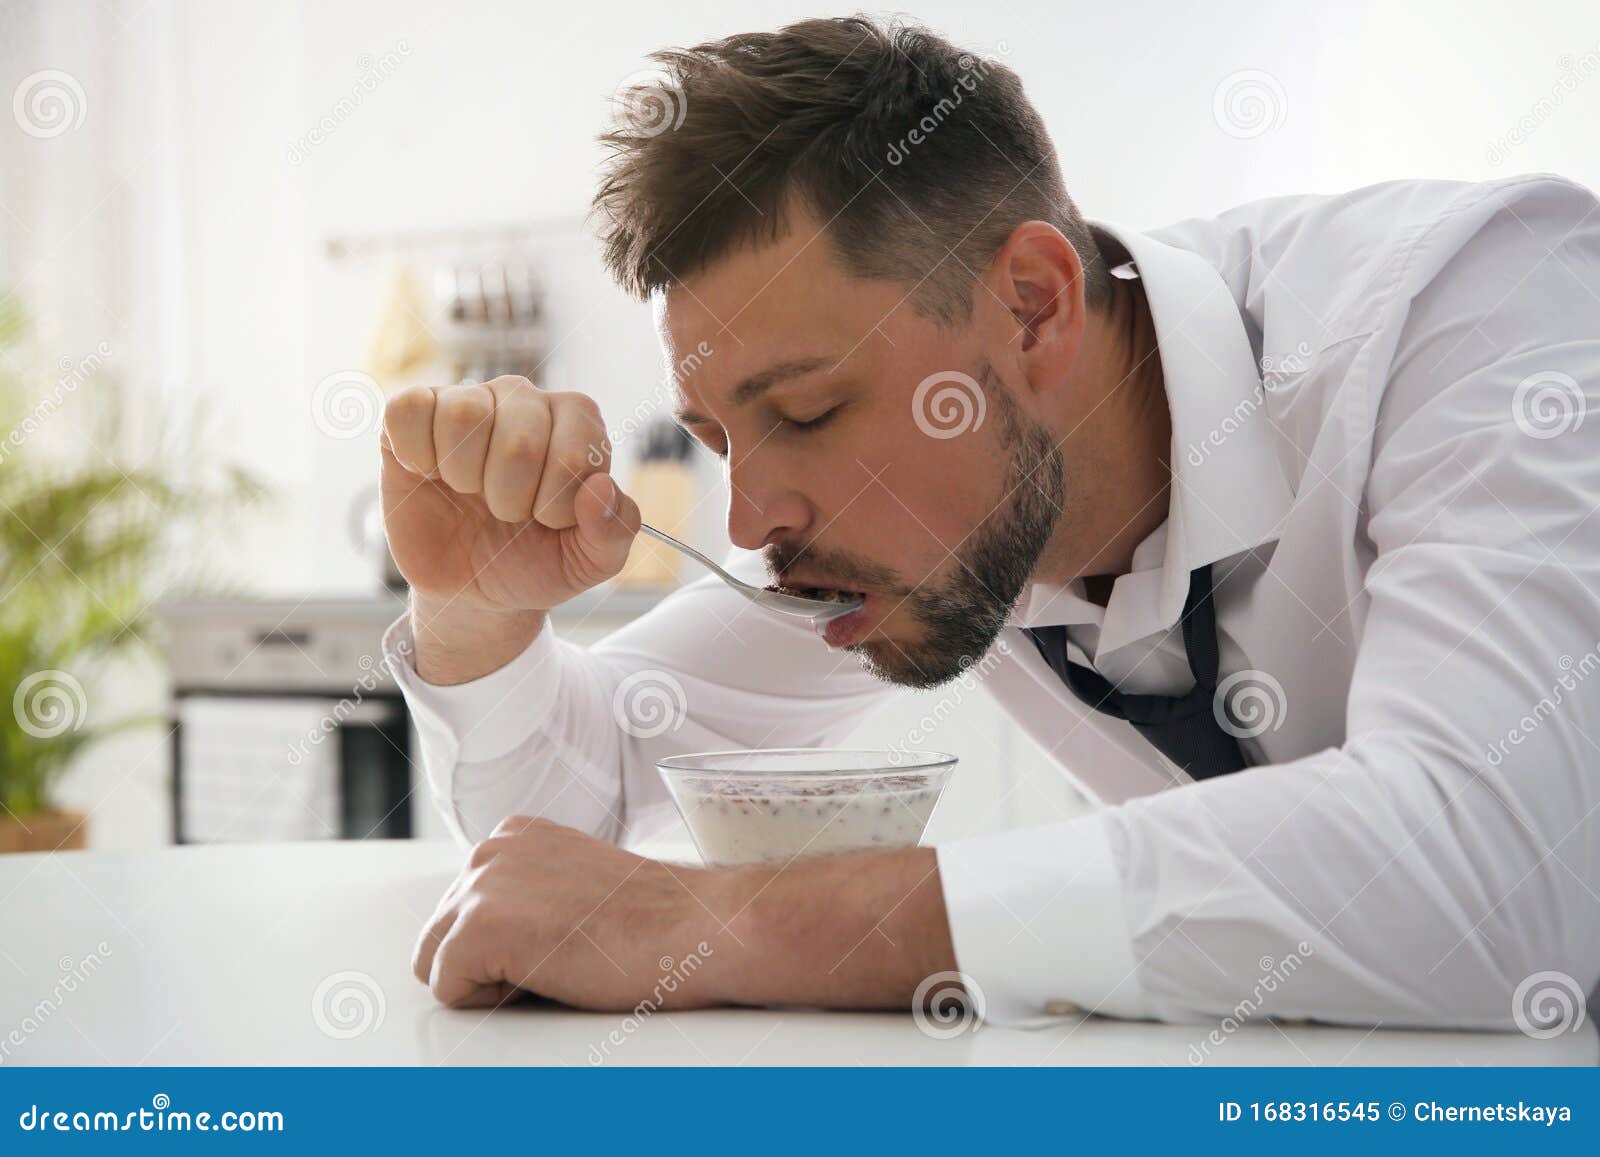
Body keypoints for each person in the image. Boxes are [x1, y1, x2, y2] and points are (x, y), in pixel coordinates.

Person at [379, 15, 1600, 1029]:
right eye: (715, 438)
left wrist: (723, 921)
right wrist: (475, 609)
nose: (753, 517)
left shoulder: (1492, 310)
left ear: (1030, 305)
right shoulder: (941, 523)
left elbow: (1493, 876)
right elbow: (561, 859)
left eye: (805, 409)